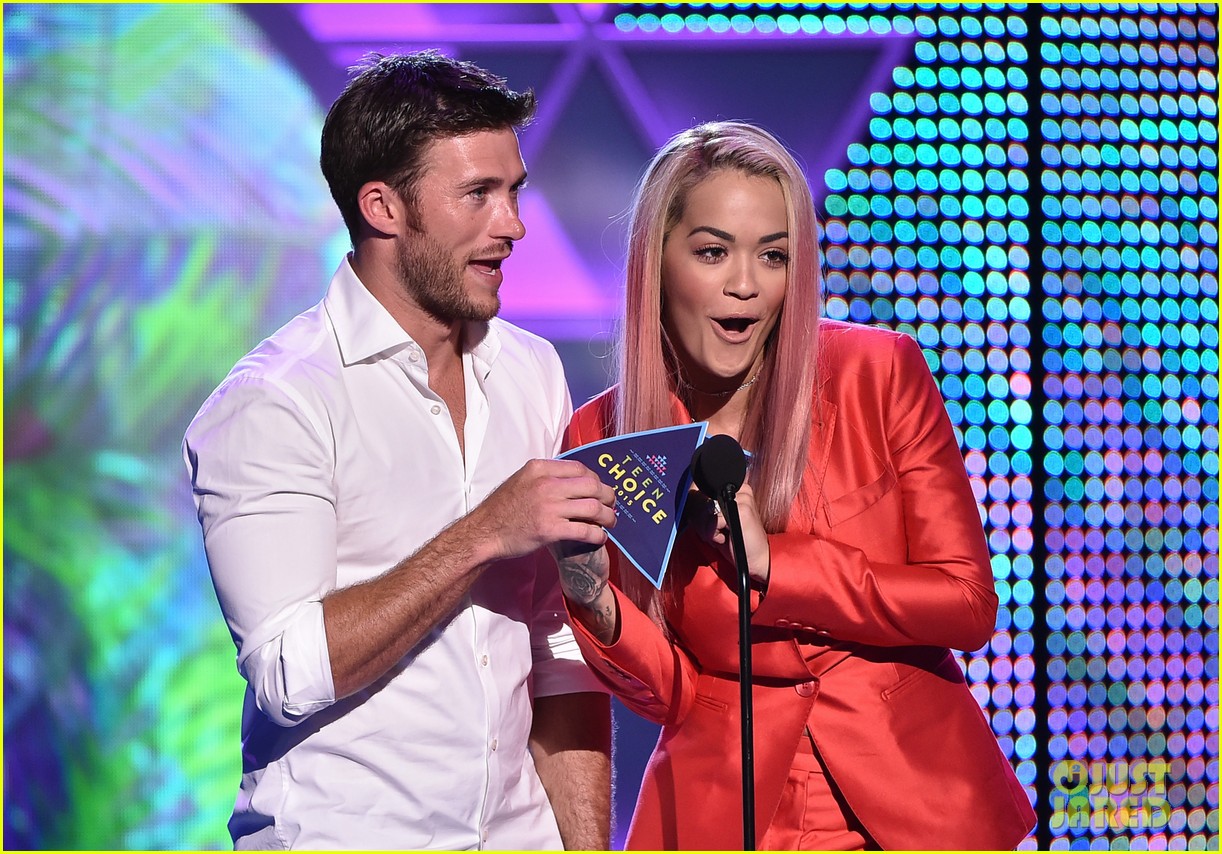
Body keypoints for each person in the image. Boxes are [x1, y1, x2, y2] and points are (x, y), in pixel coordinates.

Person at [551, 121, 1036, 849]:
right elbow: (675, 690)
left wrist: (777, 563)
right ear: (657, 262)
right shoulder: (606, 438)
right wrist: (595, 603)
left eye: (772, 255)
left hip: (919, 804)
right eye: (713, 252)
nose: (746, 284)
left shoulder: (880, 372)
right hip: (733, 814)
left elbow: (966, 605)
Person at [183, 51, 616, 849]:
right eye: (479, 195)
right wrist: (486, 532)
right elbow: (288, 675)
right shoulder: (276, 401)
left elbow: (558, 647)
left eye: (514, 190)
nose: (514, 224)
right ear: (383, 207)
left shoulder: (531, 371)